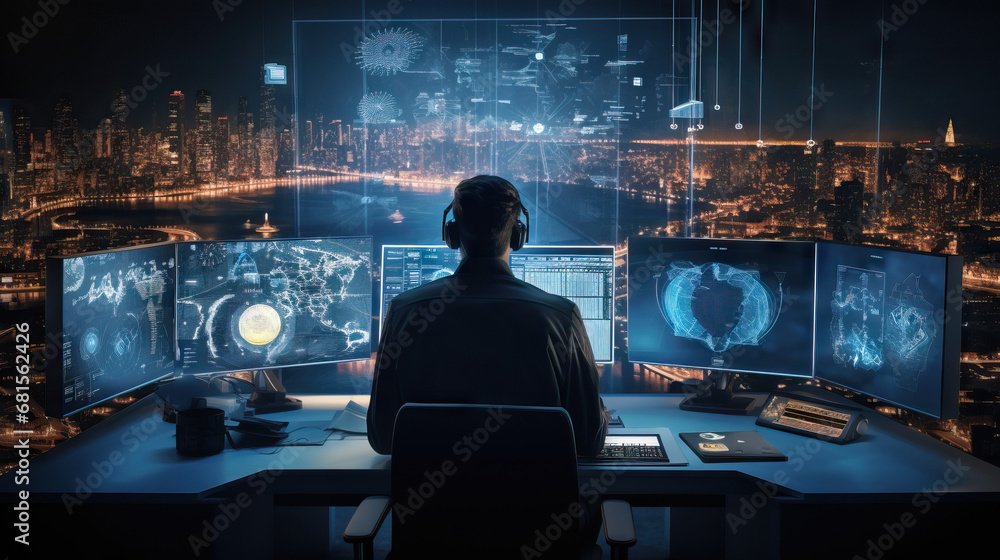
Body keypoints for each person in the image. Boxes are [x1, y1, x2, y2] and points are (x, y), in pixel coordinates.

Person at [367, 174, 610, 457]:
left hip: (433, 500)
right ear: (518, 235)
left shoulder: (403, 313)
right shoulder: (561, 317)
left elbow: (382, 438)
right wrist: (595, 396)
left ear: (452, 235)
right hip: (532, 500)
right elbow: (589, 441)